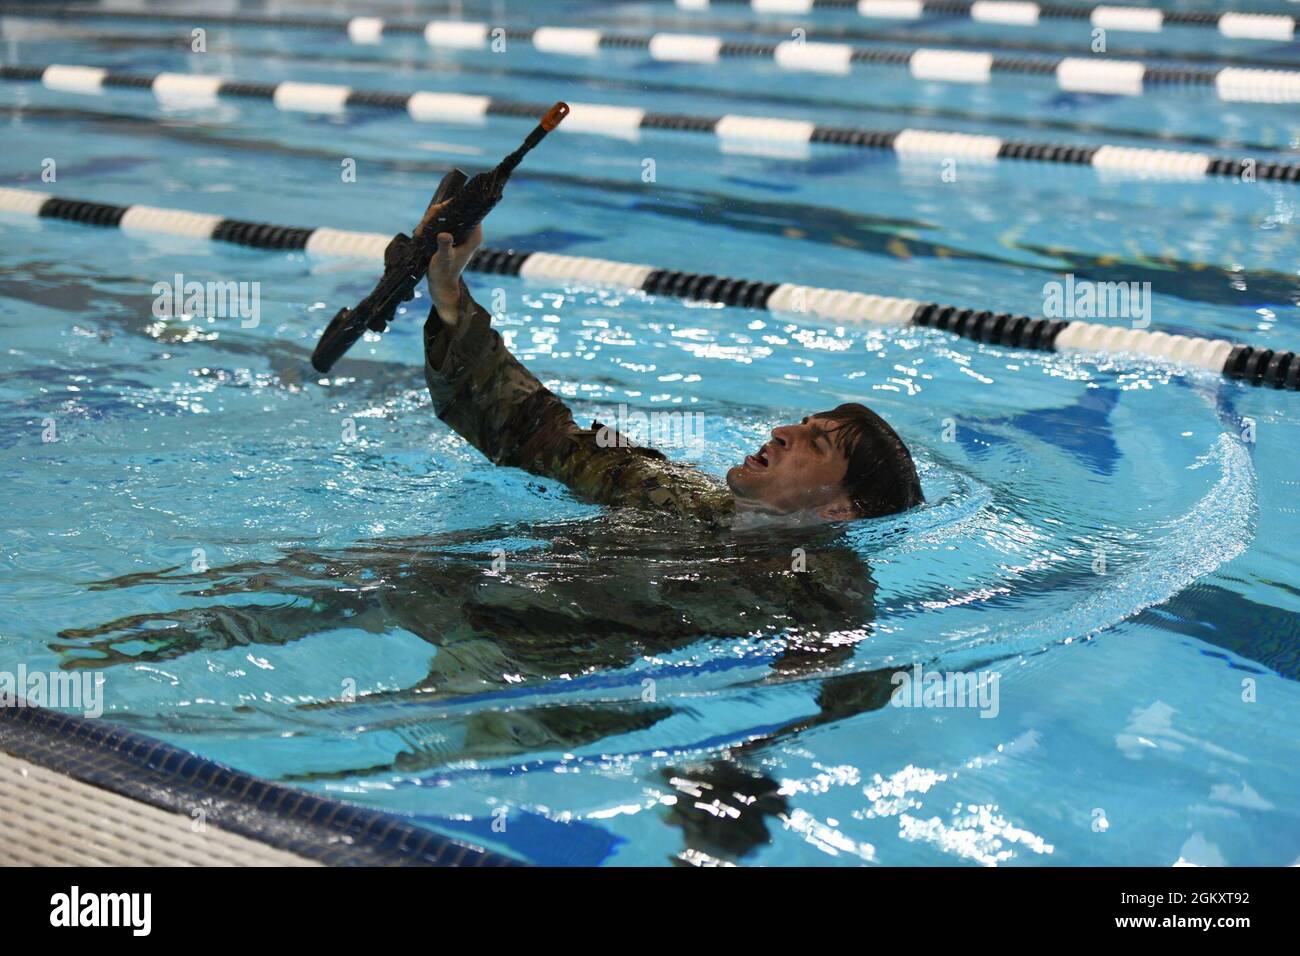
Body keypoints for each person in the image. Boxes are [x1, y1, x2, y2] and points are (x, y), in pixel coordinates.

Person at [420, 210, 924, 527]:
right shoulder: (672, 495)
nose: (781, 431)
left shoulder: (817, 594)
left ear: (839, 508)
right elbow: (532, 431)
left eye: (817, 444)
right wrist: (451, 303)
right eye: (804, 424)